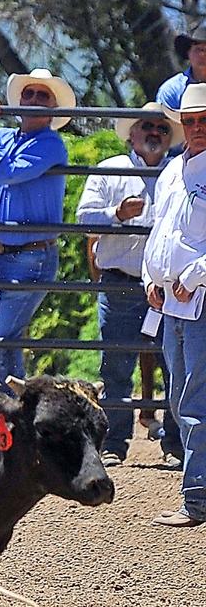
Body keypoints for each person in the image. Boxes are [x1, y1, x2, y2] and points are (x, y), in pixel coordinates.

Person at [76, 103, 183, 468]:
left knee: (175, 365)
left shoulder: (180, 172)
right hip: (121, 281)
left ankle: (174, 444)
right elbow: (83, 219)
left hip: (167, 286)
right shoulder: (110, 170)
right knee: (116, 368)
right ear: (132, 133)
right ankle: (114, 443)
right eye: (147, 126)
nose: (155, 133)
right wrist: (116, 215)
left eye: (162, 128)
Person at [0, 68, 74, 392]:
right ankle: (15, 413)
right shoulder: (5, 137)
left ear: (52, 108)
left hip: (30, 259)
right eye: (28, 93)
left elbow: (7, 173)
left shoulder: (50, 144)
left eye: (42, 95)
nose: (33, 99)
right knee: (6, 343)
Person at [144, 82, 206, 528]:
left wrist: (194, 275)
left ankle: (197, 497)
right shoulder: (170, 171)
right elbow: (158, 232)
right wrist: (150, 277)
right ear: (181, 124)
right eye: (190, 121)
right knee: (182, 396)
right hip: (172, 302)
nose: (197, 127)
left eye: (204, 120)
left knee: (194, 398)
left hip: (198, 297)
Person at [156, 23, 206, 111]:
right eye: (198, 49)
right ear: (188, 53)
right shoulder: (171, 90)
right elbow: (163, 118)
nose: (203, 54)